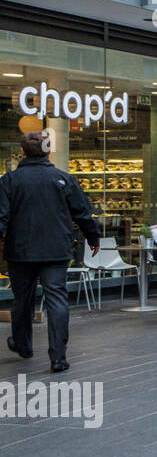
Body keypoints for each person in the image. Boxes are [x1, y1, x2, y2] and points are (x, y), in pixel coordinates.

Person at [0, 130, 101, 372]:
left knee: (22, 299)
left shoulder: (9, 181)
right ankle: (58, 356)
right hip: (56, 250)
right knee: (56, 298)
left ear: (22, 152)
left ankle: (23, 344)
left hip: (20, 250)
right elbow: (82, 212)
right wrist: (93, 236)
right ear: (47, 151)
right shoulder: (63, 179)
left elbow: (1, 217)